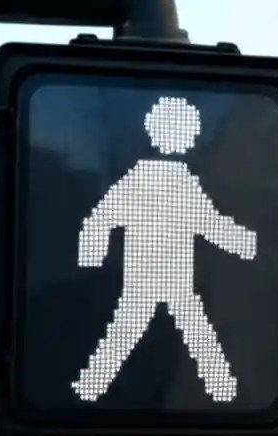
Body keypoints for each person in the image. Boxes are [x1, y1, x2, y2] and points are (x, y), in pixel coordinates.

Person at [73, 96, 258, 403]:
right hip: (156, 277)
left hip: (165, 278)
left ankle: (91, 388)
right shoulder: (153, 179)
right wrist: (92, 259)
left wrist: (243, 243)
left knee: (146, 332)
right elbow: (102, 219)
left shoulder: (166, 179)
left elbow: (207, 222)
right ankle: (221, 389)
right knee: (147, 332)